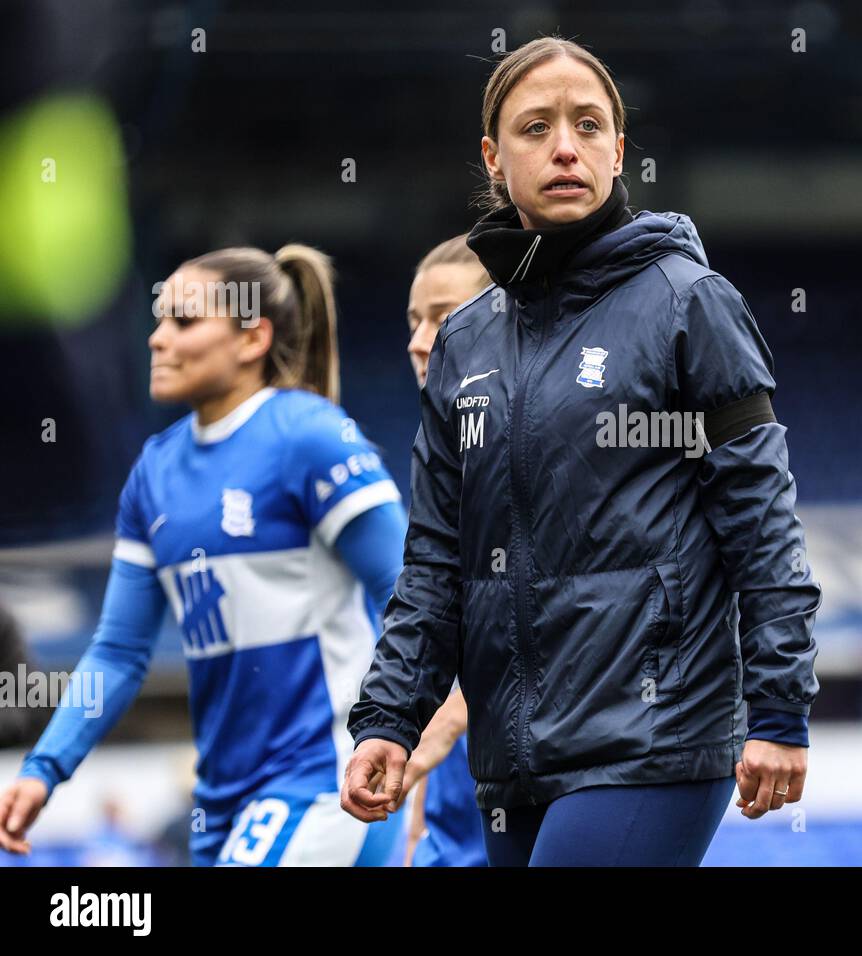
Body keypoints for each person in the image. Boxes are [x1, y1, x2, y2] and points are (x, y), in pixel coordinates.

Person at [342, 36, 820, 866]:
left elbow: (762, 523)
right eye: (536, 127)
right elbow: (434, 563)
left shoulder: (688, 305)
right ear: (494, 158)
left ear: (618, 150)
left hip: (656, 737)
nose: (566, 147)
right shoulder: (464, 341)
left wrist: (780, 710)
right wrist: (390, 717)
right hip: (515, 760)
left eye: (589, 125)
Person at [0, 244, 405, 866]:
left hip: (326, 784)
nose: (158, 340)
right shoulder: (155, 471)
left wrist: (412, 738)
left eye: (184, 322)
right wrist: (45, 766)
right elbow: (118, 651)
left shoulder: (309, 436)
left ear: (252, 339)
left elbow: (409, 594)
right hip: (221, 802)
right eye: (159, 320)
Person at [398, 236, 491, 868]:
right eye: (413, 320)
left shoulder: (545, 450)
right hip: (453, 822)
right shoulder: (439, 459)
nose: (418, 340)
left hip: (541, 794)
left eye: (441, 316)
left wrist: (451, 715)